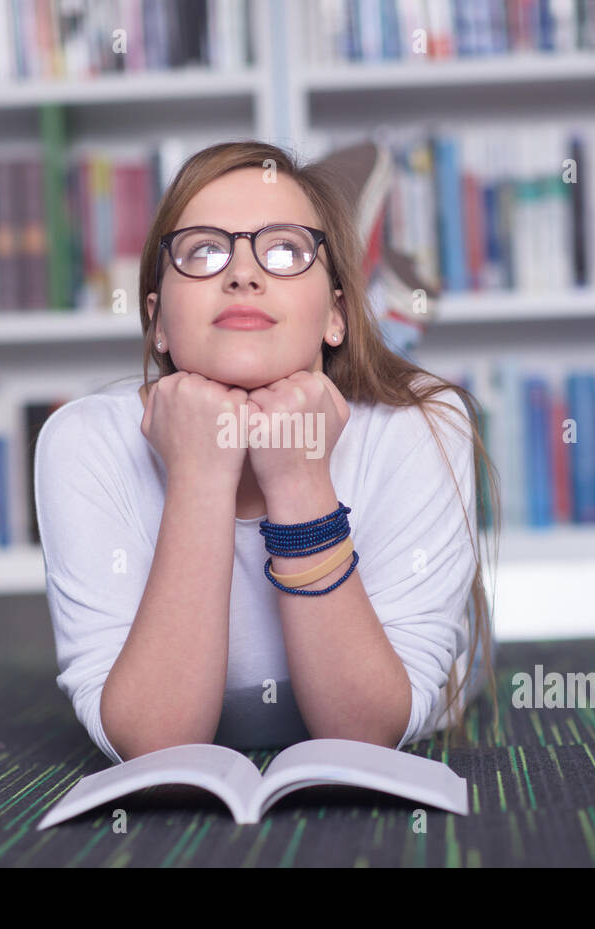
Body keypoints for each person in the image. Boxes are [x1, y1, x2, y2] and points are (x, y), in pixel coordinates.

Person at [34, 139, 499, 765]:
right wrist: (200, 476)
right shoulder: (81, 440)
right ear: (158, 323)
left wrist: (300, 479)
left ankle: (384, 300)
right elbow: (155, 746)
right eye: (204, 250)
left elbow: (363, 738)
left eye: (285, 250)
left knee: (387, 376)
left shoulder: (425, 425)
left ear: (336, 314)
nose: (242, 273)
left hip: (413, 678)